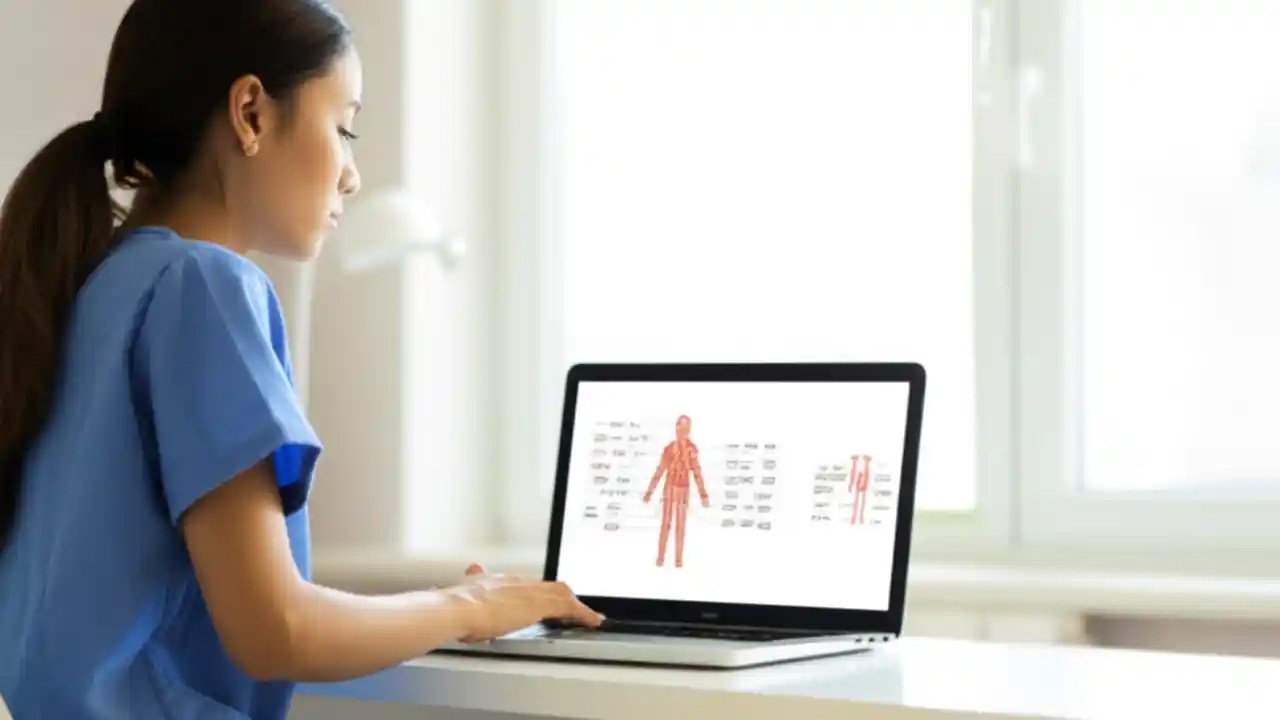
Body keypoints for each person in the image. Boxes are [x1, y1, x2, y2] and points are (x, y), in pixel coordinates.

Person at [0, 1, 602, 717]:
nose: (351, 174)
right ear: (251, 112)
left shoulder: (88, 285)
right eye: (344, 126)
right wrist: (469, 604)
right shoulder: (207, 287)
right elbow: (277, 630)